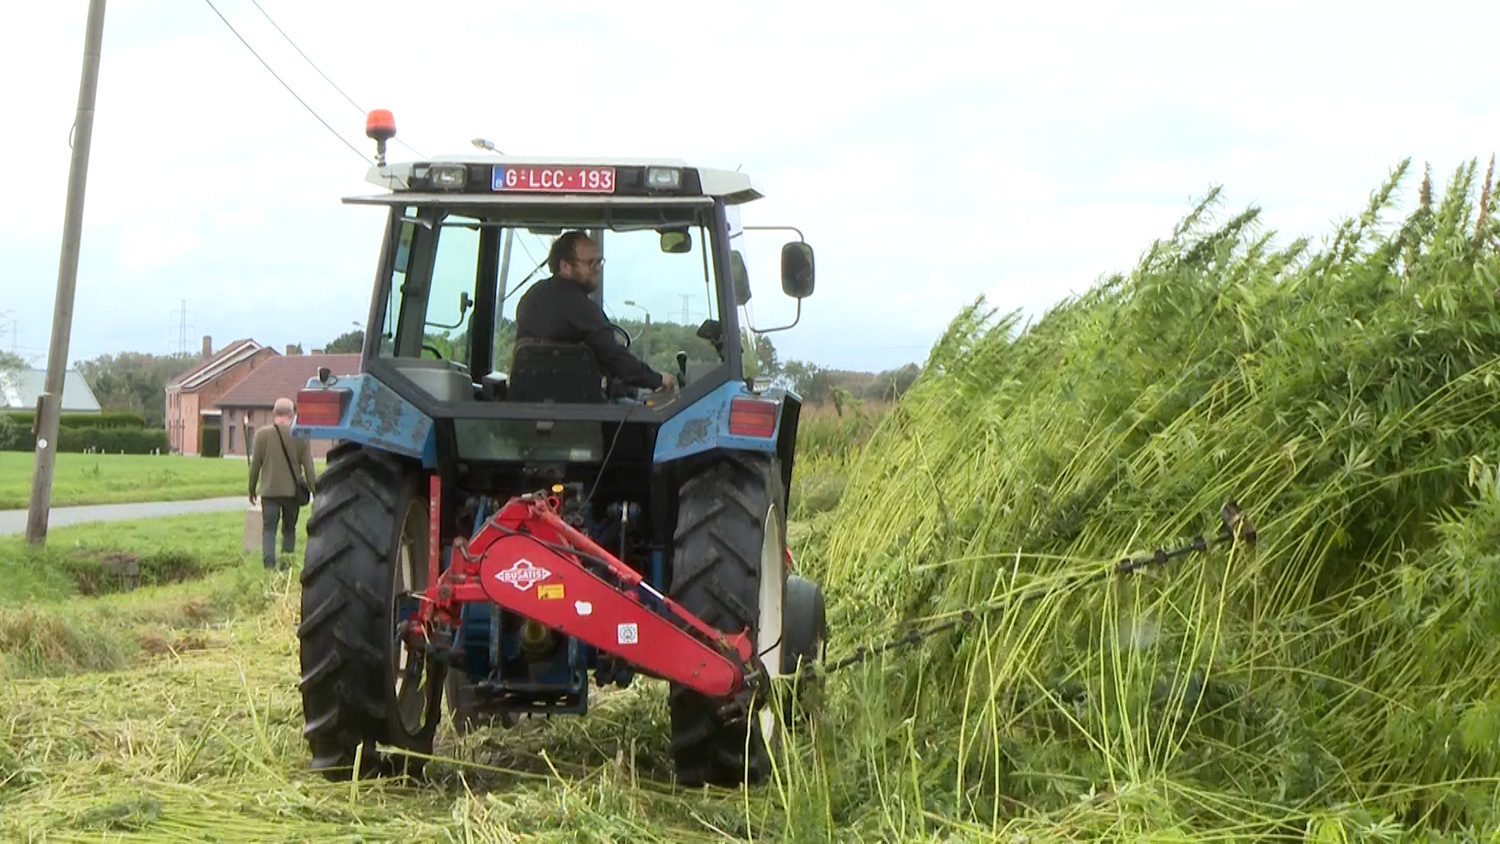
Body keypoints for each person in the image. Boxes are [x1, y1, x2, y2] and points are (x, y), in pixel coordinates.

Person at [514, 230, 678, 393]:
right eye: (591, 262)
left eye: (599, 262)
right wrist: (657, 379)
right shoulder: (582, 308)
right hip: (581, 407)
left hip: (523, 403)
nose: (597, 269)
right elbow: (614, 357)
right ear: (565, 266)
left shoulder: (530, 298)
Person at [248, 397, 318, 570]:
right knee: (289, 530)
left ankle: (269, 566)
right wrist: (317, 494)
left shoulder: (262, 435)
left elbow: (255, 466)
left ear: (274, 414)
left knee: (269, 529)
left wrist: (251, 489)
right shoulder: (301, 436)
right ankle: (285, 567)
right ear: (292, 415)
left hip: (269, 492)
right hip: (291, 493)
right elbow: (309, 468)